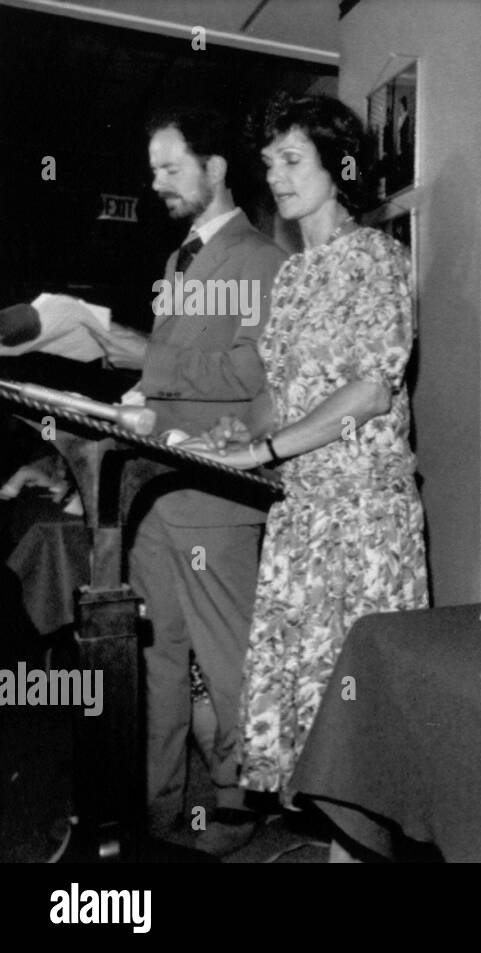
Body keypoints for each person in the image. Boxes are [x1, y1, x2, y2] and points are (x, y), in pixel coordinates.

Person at [187, 95, 429, 822]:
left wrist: (267, 447)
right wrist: (238, 437)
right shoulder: (291, 277)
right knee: (313, 710)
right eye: (270, 163)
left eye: (293, 159)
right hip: (303, 516)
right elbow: (279, 396)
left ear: (339, 167)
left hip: (363, 519)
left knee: (359, 715)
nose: (277, 176)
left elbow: (367, 391)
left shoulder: (380, 261)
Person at [89, 107, 285, 855]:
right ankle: (157, 804)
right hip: (153, 493)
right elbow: (175, 376)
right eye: (153, 169)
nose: (157, 181)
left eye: (171, 167)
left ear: (216, 169)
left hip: (213, 496)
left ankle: (240, 803)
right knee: (156, 656)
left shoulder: (261, 259)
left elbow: (251, 372)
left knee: (228, 658)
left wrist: (152, 362)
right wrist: (136, 391)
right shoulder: (179, 263)